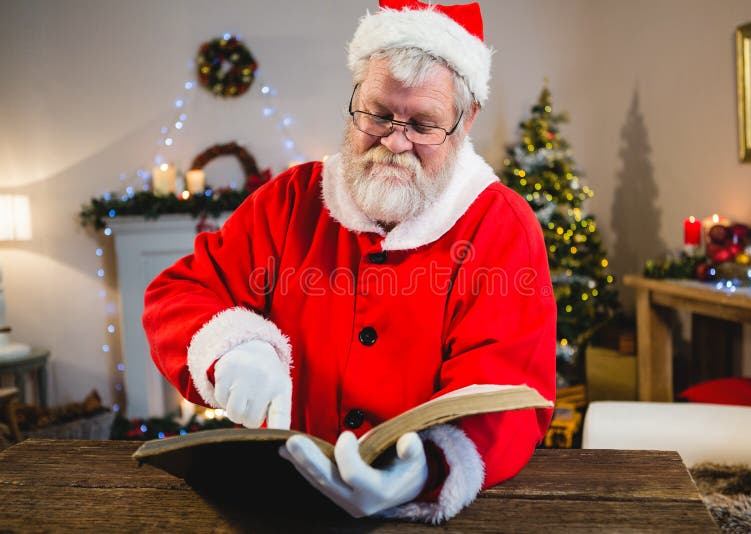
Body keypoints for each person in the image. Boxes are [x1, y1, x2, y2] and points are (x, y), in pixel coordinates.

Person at [142, 0, 555, 524]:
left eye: (423, 124)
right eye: (378, 114)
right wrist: (233, 351)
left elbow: (507, 394)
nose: (394, 142)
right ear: (354, 96)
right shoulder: (289, 200)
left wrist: (428, 470)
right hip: (273, 506)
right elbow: (176, 294)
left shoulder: (501, 227)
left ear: (466, 120)